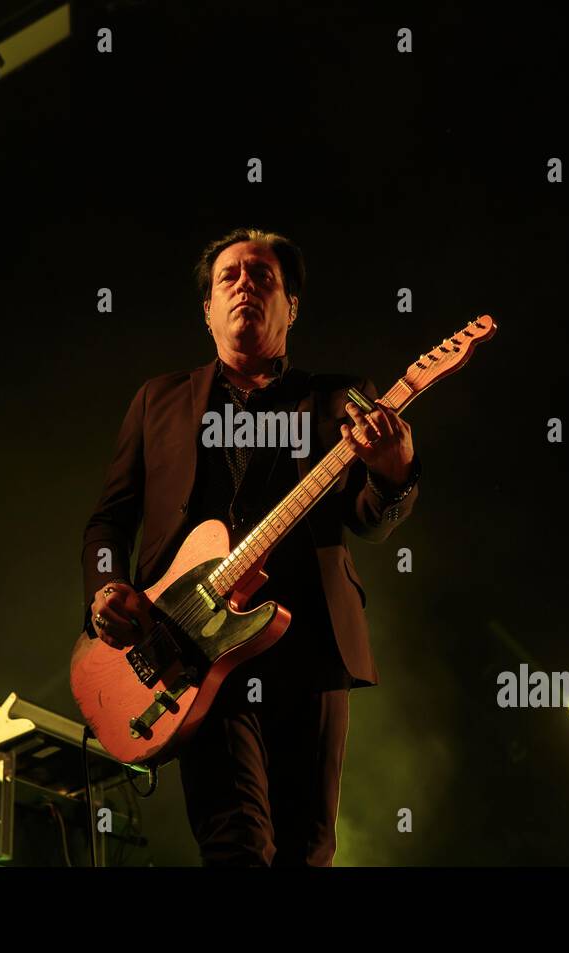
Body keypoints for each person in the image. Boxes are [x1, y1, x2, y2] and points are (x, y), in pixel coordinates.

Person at [79, 227, 420, 865]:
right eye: (229, 276)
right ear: (206, 309)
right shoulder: (158, 400)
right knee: (233, 845)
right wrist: (106, 587)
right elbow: (110, 521)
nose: (245, 285)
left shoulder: (338, 398)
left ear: (292, 307)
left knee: (306, 850)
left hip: (309, 644)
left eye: (263, 276)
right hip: (191, 647)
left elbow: (371, 521)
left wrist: (393, 472)